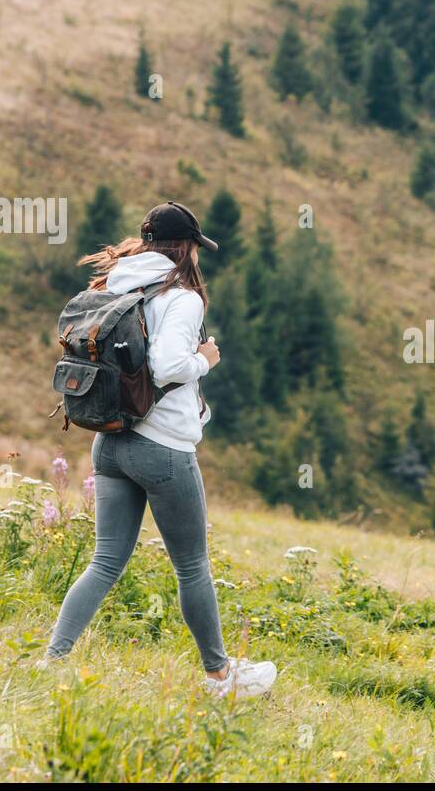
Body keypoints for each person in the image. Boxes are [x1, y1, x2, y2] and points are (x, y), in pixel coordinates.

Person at [43, 201, 276, 699]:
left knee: (104, 563)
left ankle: (51, 660)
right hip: (162, 449)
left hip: (109, 441)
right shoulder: (182, 297)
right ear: (187, 247)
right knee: (192, 567)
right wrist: (205, 360)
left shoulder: (115, 285)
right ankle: (220, 677)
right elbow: (169, 365)